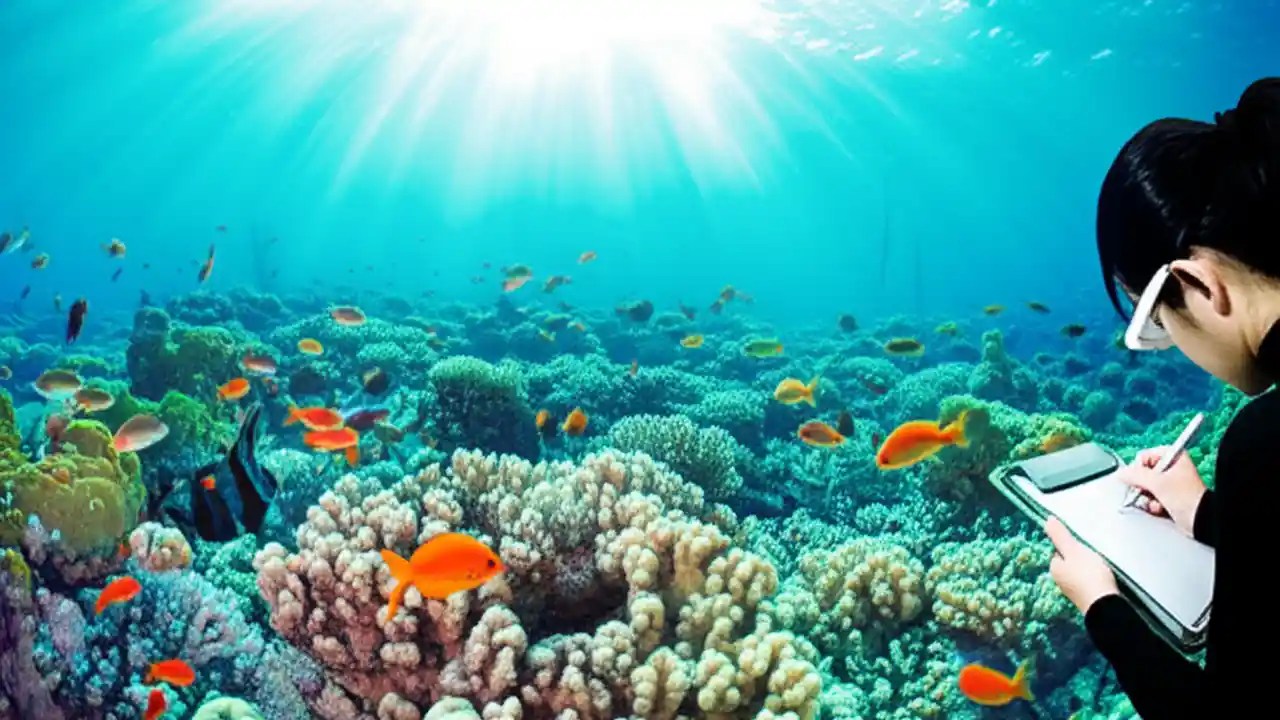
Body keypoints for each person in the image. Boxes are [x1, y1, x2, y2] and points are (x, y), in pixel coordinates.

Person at [1043, 76, 1280, 719]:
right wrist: (1202, 512)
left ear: (1199, 285)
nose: (1169, 343)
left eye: (1155, 323)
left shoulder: (1264, 443)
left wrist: (1102, 605)